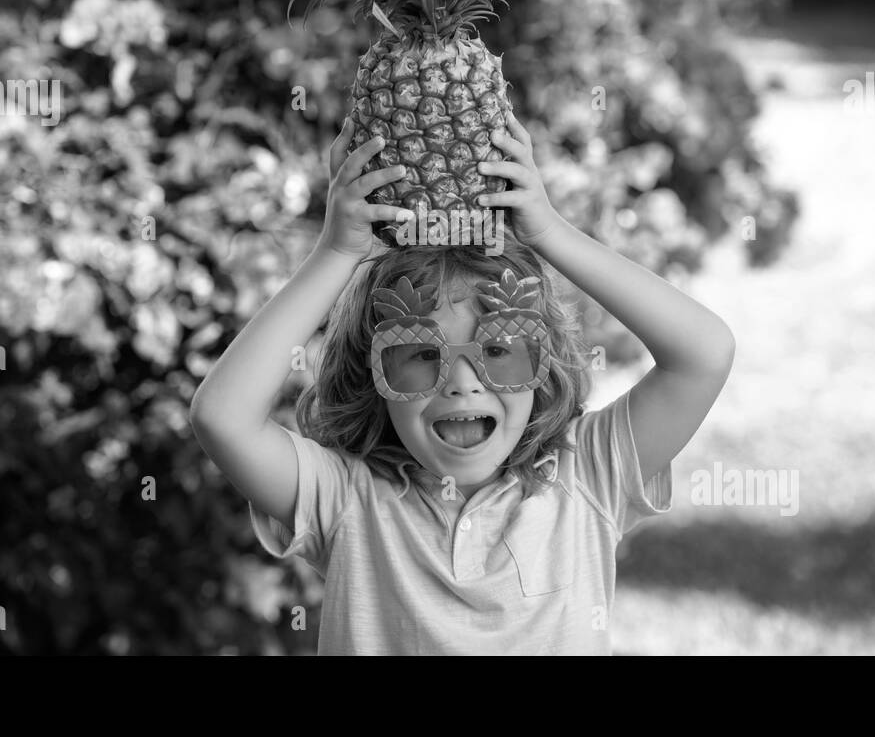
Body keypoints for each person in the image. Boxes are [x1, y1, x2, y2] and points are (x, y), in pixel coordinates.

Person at [189, 114, 736, 654]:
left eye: (499, 349)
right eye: (422, 355)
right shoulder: (348, 502)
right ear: (372, 376)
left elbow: (704, 354)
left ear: (542, 365)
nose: (462, 383)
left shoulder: (587, 477)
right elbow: (222, 417)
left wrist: (550, 233)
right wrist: (336, 253)